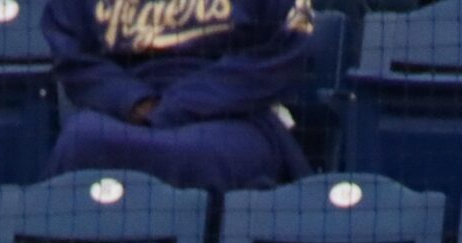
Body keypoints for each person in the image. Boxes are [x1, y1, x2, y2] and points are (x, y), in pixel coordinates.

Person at [41, 0, 312, 193]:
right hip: (127, 105)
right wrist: (131, 100)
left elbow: (287, 49)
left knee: (207, 155)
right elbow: (71, 53)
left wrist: (182, 104)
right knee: (81, 140)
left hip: (231, 107)